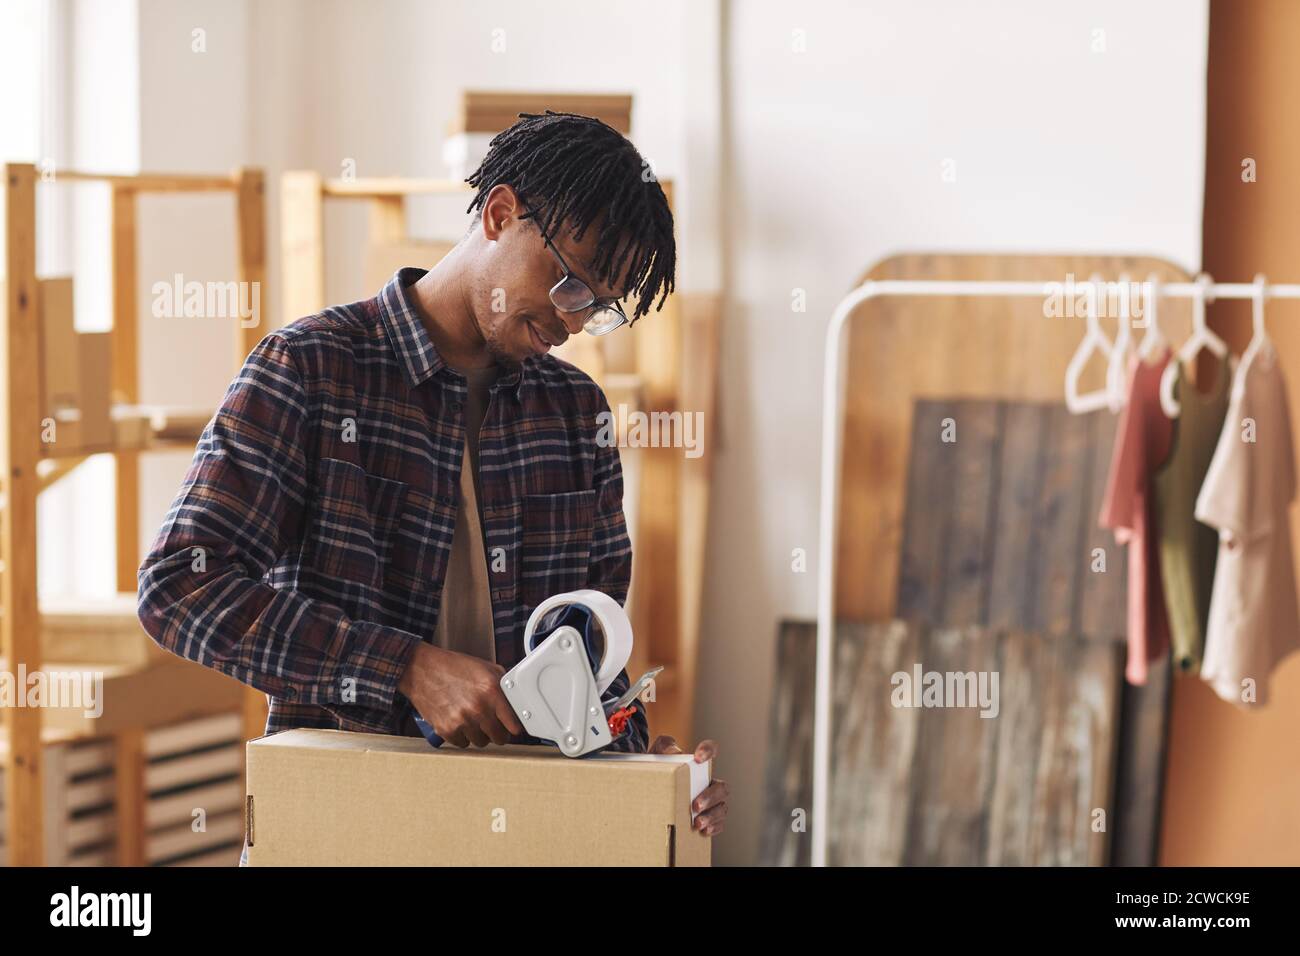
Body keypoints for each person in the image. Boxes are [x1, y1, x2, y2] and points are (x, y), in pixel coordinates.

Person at [136, 112, 729, 864]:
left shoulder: (576, 414)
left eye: (599, 307)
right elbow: (177, 589)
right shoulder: (311, 369)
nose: (575, 320)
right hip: (341, 827)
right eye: (571, 282)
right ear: (500, 212)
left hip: (527, 834)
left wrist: (647, 764)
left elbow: (591, 663)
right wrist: (406, 668)